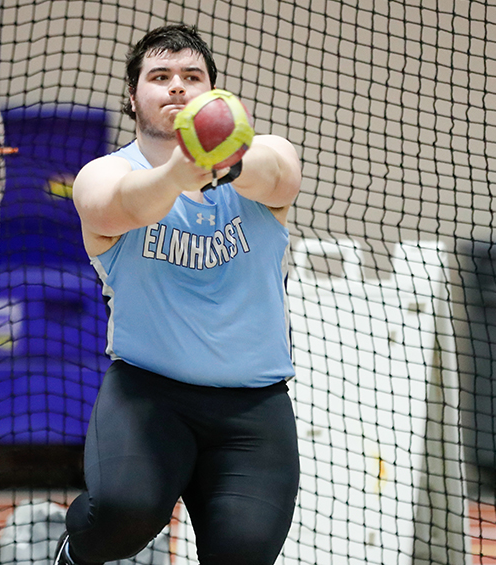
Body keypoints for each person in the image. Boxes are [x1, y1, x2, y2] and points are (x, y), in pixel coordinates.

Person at [53, 24, 303, 565]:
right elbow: (117, 206)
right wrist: (177, 173)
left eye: (192, 76)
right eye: (159, 76)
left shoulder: (265, 154)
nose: (176, 87)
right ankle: (72, 553)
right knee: (125, 511)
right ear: (133, 95)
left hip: (253, 408)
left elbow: (280, 177)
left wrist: (225, 161)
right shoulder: (104, 172)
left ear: (215, 94)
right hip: (149, 396)